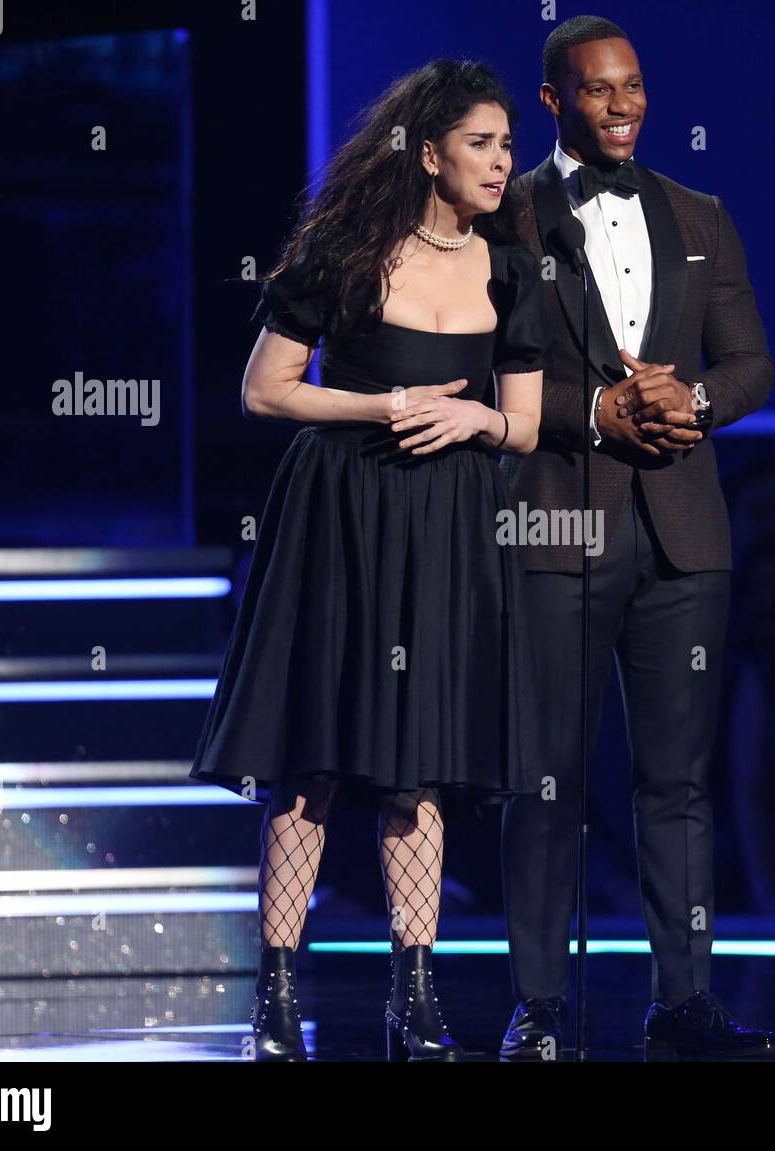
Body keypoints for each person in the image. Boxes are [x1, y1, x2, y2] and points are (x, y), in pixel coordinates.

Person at [189, 59, 545, 1062]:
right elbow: (266, 390)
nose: (498, 161)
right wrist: (384, 406)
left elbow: (520, 423)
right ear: (427, 153)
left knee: (417, 764)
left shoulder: (513, 266)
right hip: (339, 512)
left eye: (506, 145)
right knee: (312, 761)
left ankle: (415, 993)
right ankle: (275, 995)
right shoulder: (345, 250)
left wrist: (472, 414)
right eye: (479, 143)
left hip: (446, 524)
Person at [498, 15, 775, 1060]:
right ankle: (537, 1005)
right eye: (599, 89)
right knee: (547, 777)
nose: (623, 105)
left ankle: (684, 1002)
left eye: (634, 87)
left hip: (683, 532)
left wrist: (690, 400)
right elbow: (481, 364)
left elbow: (751, 362)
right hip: (556, 520)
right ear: (553, 101)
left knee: (678, 779)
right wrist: (594, 413)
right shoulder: (505, 215)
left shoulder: (700, 212)